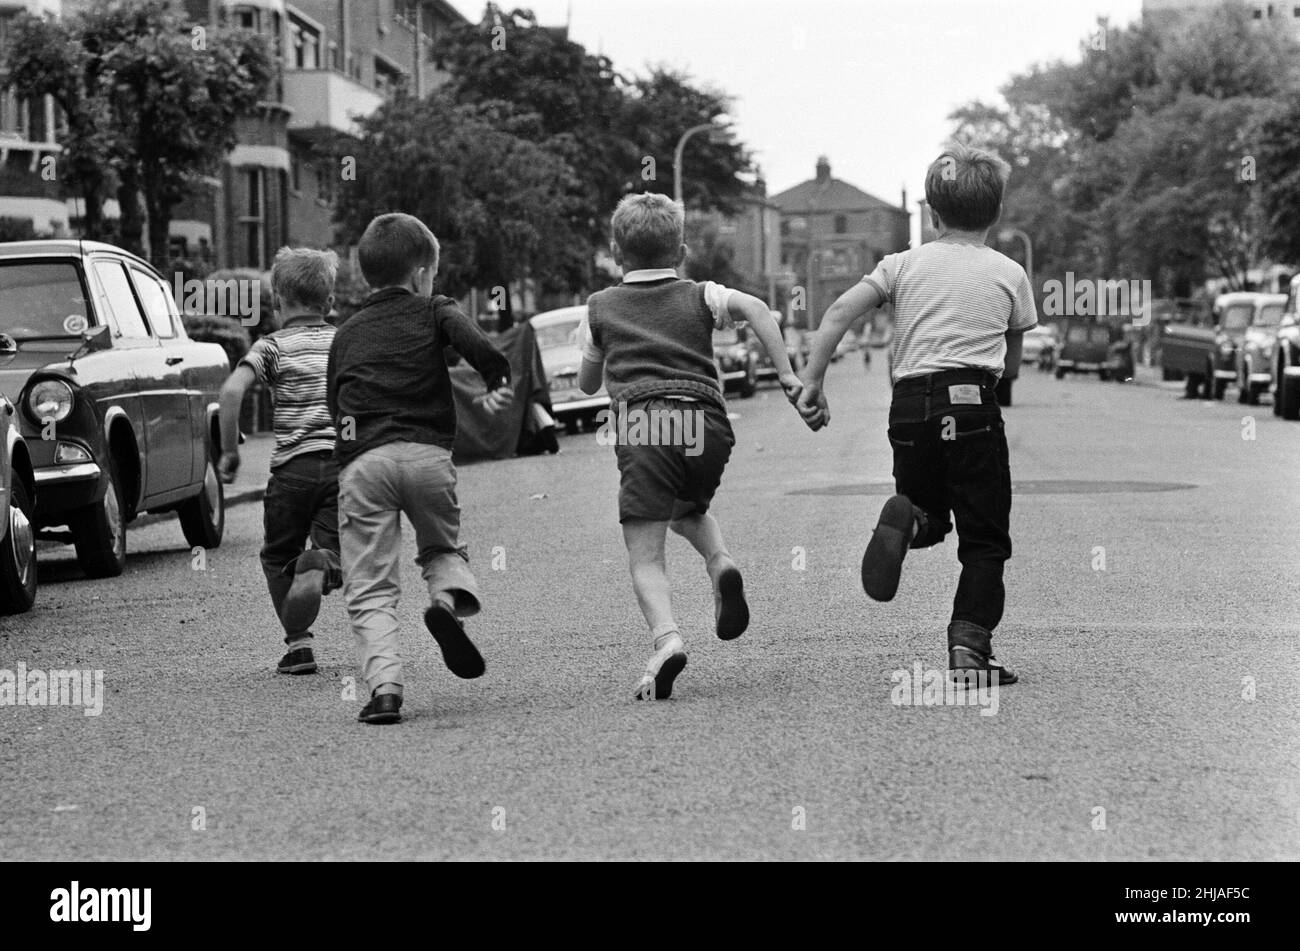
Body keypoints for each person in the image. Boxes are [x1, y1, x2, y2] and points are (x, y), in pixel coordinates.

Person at [797, 143, 1037, 685]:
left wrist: (812, 381)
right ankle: (970, 651)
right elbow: (1012, 355)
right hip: (972, 403)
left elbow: (837, 312)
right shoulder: (1009, 271)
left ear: (931, 213)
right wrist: (996, 382)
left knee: (929, 509)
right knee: (984, 537)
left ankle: (911, 523)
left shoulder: (900, 265)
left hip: (910, 406)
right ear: (996, 213)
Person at [577, 193, 804, 700]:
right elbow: (758, 308)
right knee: (686, 511)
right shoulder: (701, 294)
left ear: (616, 251)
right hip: (706, 423)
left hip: (646, 426)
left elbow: (589, 384)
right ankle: (720, 563)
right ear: (679, 252)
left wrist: (599, 352)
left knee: (646, 556)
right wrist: (786, 374)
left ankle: (667, 641)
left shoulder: (600, 307)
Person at [328, 213, 513, 725]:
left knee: (369, 584)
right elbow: (475, 343)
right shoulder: (435, 309)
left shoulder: (345, 334)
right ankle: (447, 605)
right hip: (428, 456)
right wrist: (497, 377)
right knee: (441, 548)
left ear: (368, 275)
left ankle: (385, 690)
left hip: (365, 462)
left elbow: (335, 406)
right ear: (419, 274)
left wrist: (351, 463)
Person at [218, 247, 342, 677]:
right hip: (341, 465)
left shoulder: (270, 346)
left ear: (276, 302)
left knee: (277, 556)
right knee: (332, 545)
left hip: (292, 471)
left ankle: (299, 645)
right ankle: (324, 562)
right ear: (329, 303)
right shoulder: (343, 341)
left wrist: (230, 450)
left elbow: (231, 392)